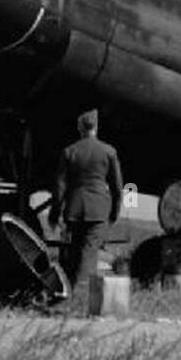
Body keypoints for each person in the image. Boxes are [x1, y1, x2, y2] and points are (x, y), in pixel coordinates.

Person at [48, 109, 123, 290]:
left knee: (74, 251)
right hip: (98, 210)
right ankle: (81, 294)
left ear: (79, 128)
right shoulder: (109, 152)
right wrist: (114, 213)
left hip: (74, 209)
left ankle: (70, 289)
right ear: (96, 127)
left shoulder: (69, 151)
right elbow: (118, 188)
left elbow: (60, 188)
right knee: (89, 252)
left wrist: (54, 214)